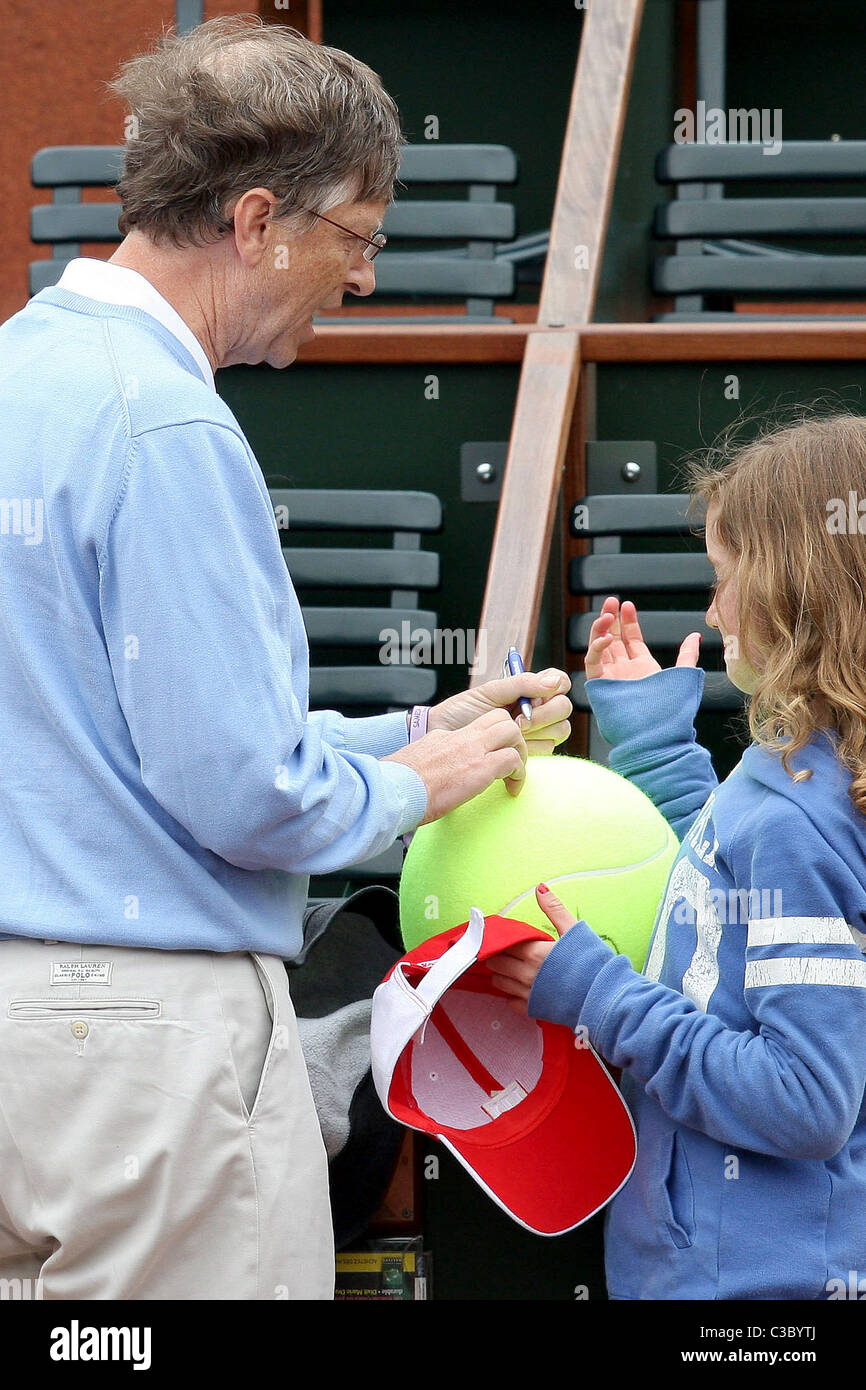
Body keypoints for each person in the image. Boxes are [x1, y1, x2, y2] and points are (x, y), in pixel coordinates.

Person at [0, 16, 572, 1300]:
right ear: (257, 220)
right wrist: (416, 784)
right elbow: (240, 792)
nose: (361, 278)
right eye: (356, 238)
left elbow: (117, 734)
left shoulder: (15, 374)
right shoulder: (168, 426)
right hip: (150, 1056)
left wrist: (416, 732)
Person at [488, 412, 866, 1301]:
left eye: (725, 579)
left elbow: (805, 1099)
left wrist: (598, 996)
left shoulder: (797, 818)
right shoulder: (799, 780)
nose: (712, 609)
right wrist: (654, 742)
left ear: (792, 591)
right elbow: (726, 906)